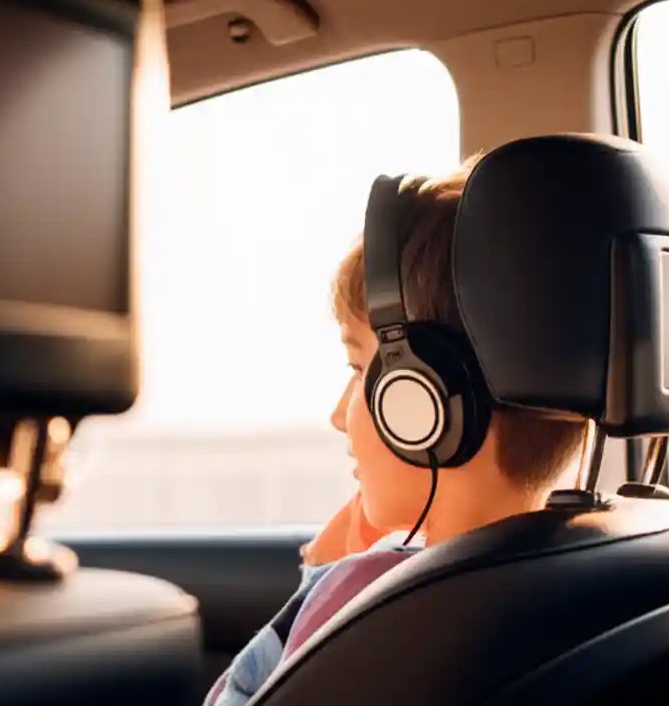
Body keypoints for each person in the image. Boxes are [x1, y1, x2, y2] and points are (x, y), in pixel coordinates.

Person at [204, 157, 590, 706]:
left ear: (424, 400)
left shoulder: (376, 610)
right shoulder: (598, 562)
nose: (339, 415)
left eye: (360, 372)